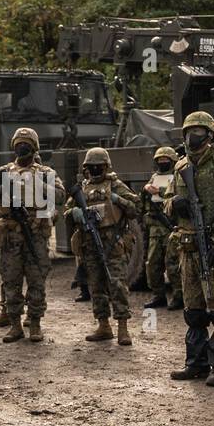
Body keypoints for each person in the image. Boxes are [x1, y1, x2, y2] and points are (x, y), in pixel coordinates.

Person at [166, 112, 214, 383]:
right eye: (188, 131)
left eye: (198, 131)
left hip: (212, 243)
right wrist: (174, 203)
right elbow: (166, 202)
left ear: (210, 135)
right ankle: (196, 363)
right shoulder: (180, 167)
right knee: (194, 311)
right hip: (188, 247)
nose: (192, 136)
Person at [0, 128, 65, 342]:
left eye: (27, 144)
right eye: (20, 143)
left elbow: (60, 195)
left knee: (36, 279)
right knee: (10, 280)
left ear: (34, 148)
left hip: (36, 233)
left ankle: (35, 323)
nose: (23, 147)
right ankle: (14, 325)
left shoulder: (45, 172)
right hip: (11, 234)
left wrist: (38, 185)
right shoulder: (4, 171)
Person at [66, 146, 140, 345]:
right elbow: (68, 209)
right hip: (90, 244)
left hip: (113, 244)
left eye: (99, 167)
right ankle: (103, 325)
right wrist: (74, 213)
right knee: (95, 285)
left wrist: (119, 200)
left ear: (106, 167)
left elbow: (136, 208)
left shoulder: (115, 185)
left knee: (117, 284)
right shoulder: (83, 187)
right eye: (92, 167)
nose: (96, 170)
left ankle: (123, 327)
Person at [142, 146, 179, 310]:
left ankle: (179, 296)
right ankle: (158, 295)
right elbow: (144, 198)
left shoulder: (178, 177)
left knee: (173, 264)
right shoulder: (154, 177)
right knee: (152, 264)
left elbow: (177, 197)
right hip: (154, 229)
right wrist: (146, 190)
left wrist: (160, 191)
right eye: (160, 160)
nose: (162, 162)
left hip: (171, 227)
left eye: (166, 160)